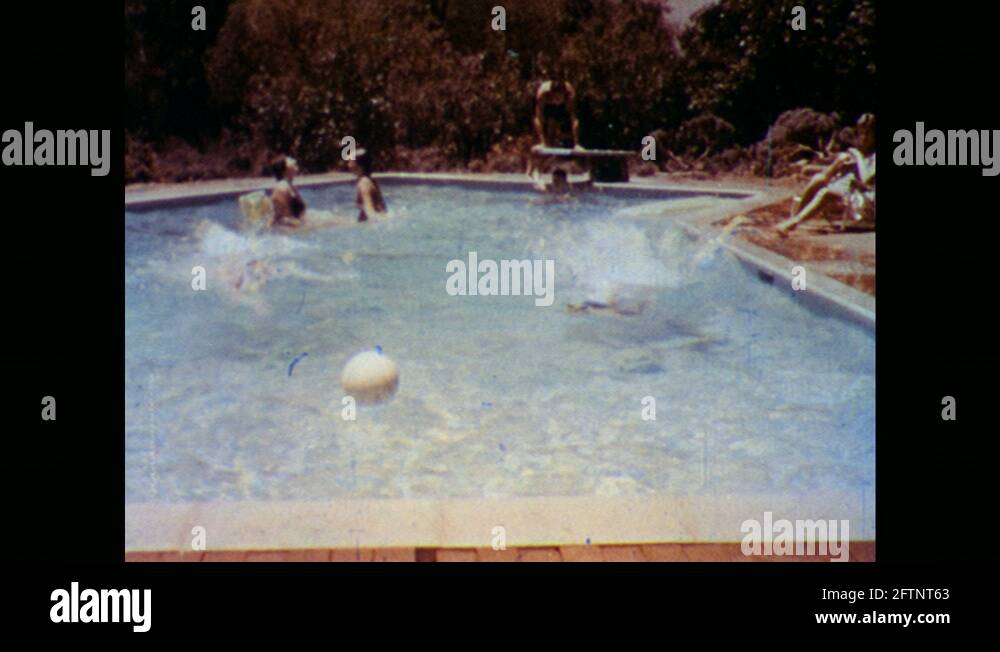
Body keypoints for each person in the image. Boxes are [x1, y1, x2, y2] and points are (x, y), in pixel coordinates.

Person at [776, 114, 876, 235]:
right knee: (818, 179)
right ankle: (792, 220)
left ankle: (794, 223)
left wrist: (858, 157)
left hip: (866, 201)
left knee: (826, 193)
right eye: (862, 134)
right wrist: (838, 163)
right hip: (848, 193)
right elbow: (824, 173)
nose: (864, 138)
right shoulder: (856, 153)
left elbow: (866, 181)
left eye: (868, 134)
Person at [269, 156, 306, 227]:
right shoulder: (282, 188)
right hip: (290, 232)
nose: (294, 160)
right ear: (284, 169)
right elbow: (280, 219)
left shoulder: (289, 186)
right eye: (289, 159)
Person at [352, 148, 387, 222]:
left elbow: (370, 212)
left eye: (351, 161)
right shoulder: (372, 181)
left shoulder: (364, 183)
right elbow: (383, 209)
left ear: (359, 166)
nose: (348, 164)